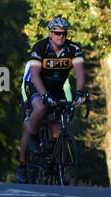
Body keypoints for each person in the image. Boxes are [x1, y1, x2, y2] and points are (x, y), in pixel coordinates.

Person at [18, 16, 88, 183]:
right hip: (36, 85)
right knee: (41, 108)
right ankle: (22, 163)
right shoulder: (40, 47)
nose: (60, 36)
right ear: (50, 33)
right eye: (57, 33)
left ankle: (56, 163)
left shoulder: (73, 49)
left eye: (63, 33)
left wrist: (79, 93)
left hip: (56, 88)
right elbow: (34, 75)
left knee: (58, 129)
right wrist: (44, 95)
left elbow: (80, 74)